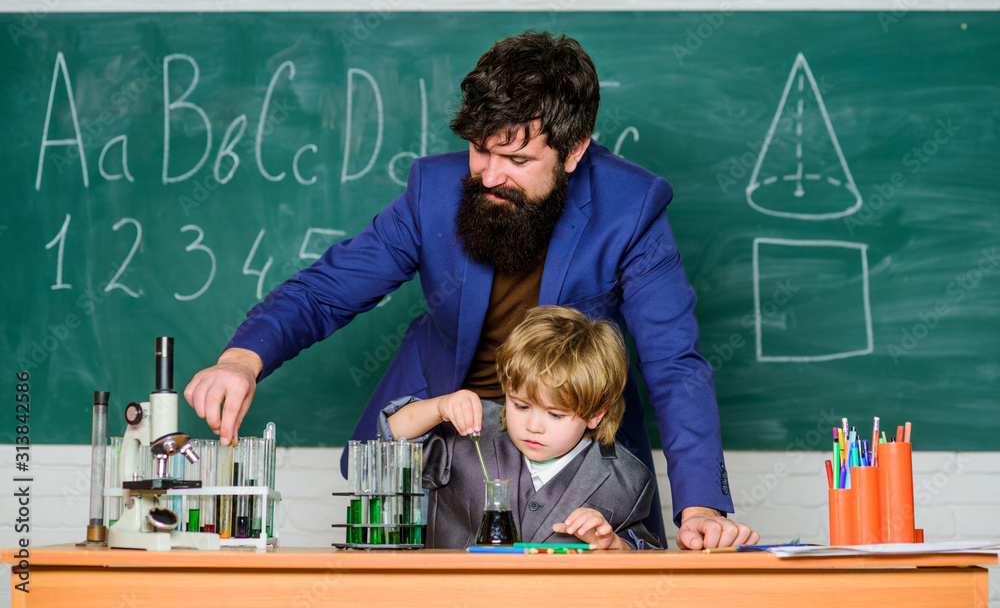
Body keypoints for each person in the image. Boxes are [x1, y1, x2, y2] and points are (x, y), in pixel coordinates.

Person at [185, 30, 755, 549]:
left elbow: (675, 363)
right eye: (481, 148)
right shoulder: (433, 189)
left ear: (575, 150)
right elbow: (327, 289)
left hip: (571, 465)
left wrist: (702, 505)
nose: (488, 175)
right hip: (444, 453)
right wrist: (242, 360)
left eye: (517, 158)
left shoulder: (632, 208)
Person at [380, 306, 661, 550]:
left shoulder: (629, 480)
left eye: (556, 415)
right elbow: (388, 441)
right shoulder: (467, 433)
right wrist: (438, 408)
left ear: (595, 415)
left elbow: (645, 558)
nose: (533, 426)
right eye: (521, 406)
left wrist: (612, 544)